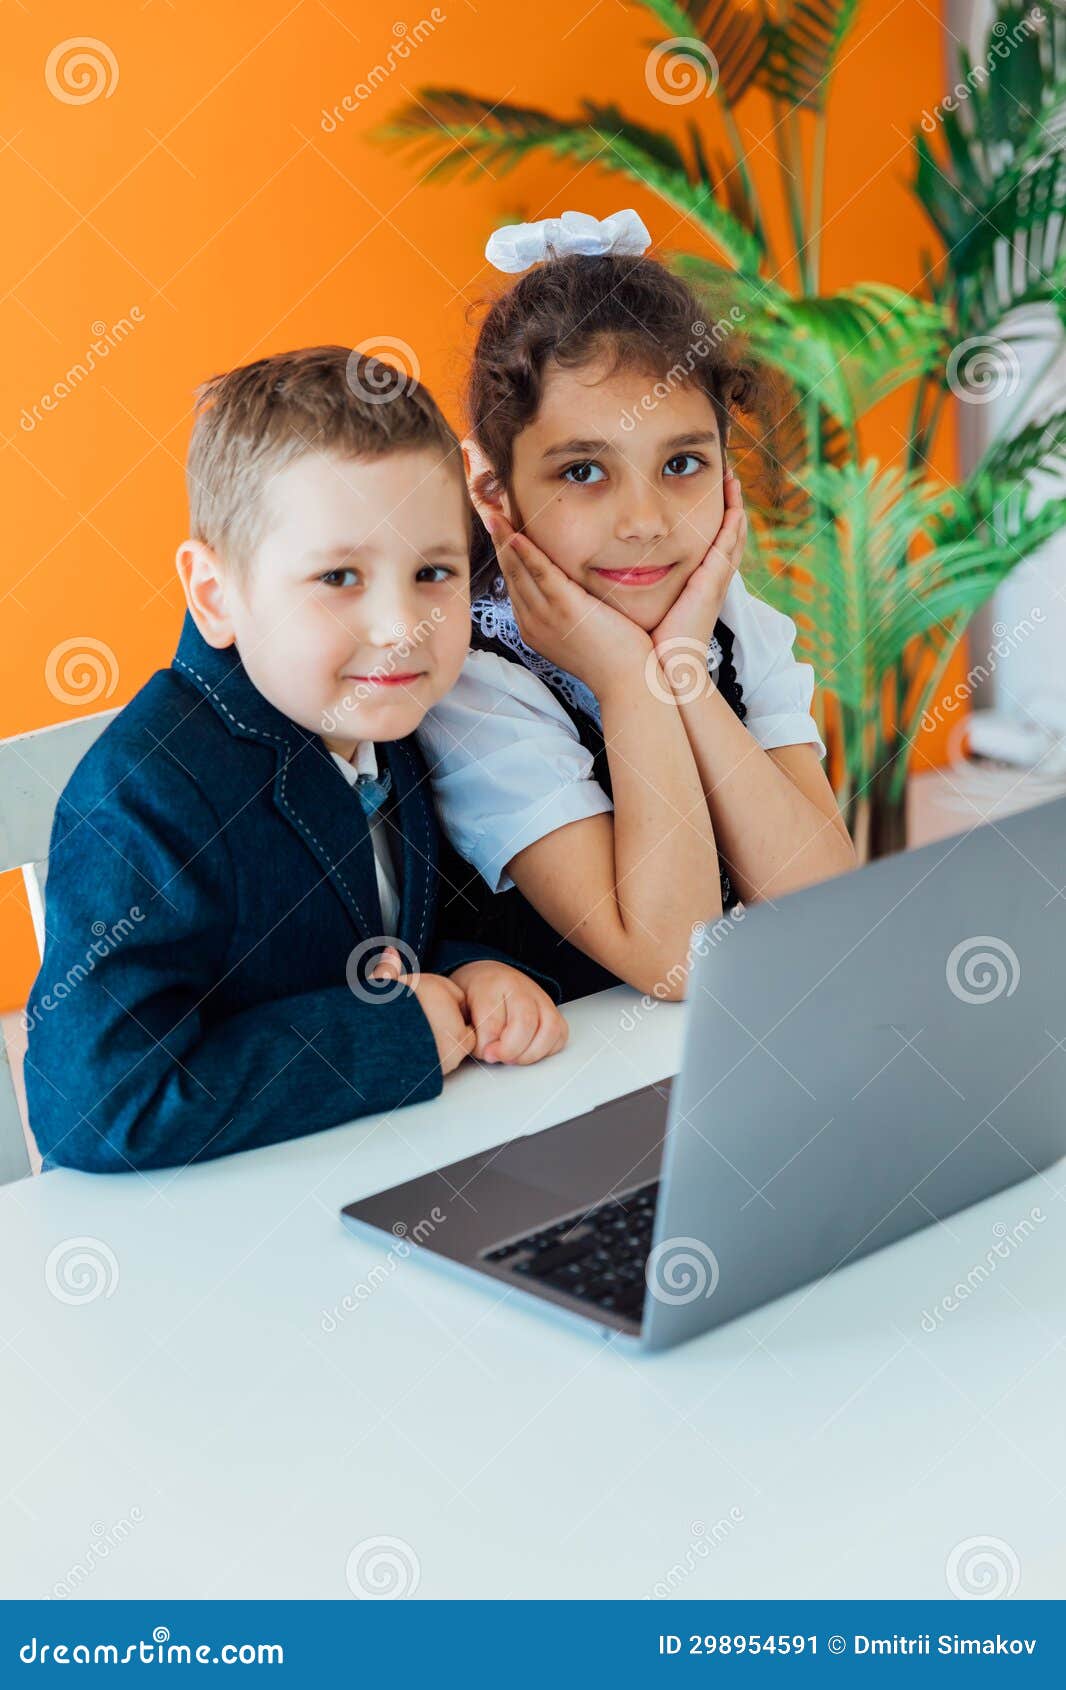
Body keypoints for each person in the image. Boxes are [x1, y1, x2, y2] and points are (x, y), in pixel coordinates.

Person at [24, 346, 566, 1174]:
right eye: (340, 575)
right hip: (208, 1240)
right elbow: (98, 1104)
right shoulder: (151, 793)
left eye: (433, 572)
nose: (400, 625)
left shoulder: (387, 714)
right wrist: (390, 1033)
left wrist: (473, 970)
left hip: (377, 1168)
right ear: (214, 595)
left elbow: (397, 931)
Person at [420, 209, 855, 1001]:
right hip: (562, 1105)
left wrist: (683, 671)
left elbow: (822, 905)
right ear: (498, 494)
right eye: (584, 472)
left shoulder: (726, 619)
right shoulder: (473, 678)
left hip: (715, 1065)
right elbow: (675, 960)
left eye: (683, 463)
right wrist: (627, 682)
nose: (646, 522)